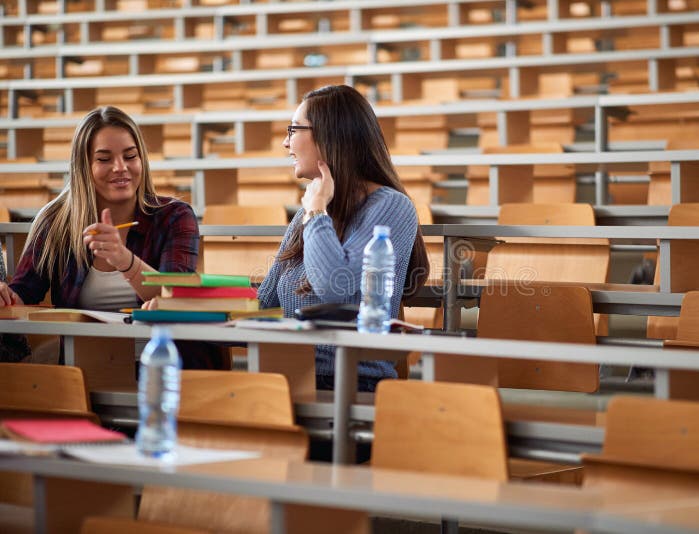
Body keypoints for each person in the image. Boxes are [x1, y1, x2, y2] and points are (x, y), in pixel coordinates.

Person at [0, 106, 222, 368]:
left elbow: (176, 296)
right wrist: (5, 295)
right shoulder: (56, 220)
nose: (120, 168)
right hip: (85, 366)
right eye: (104, 159)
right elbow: (24, 290)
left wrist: (124, 260)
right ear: (83, 166)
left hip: (166, 365)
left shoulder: (174, 216)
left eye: (130, 156)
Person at [258, 85, 429, 393]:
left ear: (329, 135)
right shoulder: (308, 213)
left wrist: (317, 212)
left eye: (293, 130)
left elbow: (334, 286)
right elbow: (264, 304)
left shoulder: (390, 206)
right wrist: (184, 306)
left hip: (350, 383)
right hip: (285, 380)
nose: (286, 142)